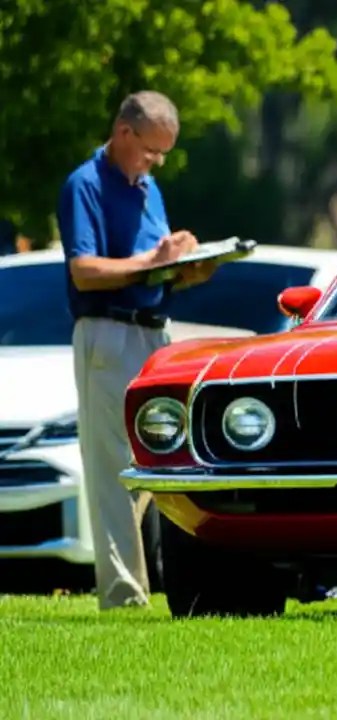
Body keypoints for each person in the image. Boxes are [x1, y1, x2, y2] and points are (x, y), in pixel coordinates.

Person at [57, 90, 216, 610]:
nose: (156, 163)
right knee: (112, 469)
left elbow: (155, 272)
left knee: (160, 459)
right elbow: (85, 269)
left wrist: (190, 269)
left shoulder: (148, 189)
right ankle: (123, 597)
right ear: (124, 134)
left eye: (163, 154)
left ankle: (170, 581)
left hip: (153, 331)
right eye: (151, 151)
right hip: (107, 333)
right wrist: (153, 260)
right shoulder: (86, 185)